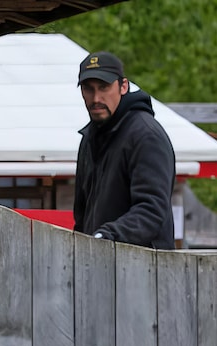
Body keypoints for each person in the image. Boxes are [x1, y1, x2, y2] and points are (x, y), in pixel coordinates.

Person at [73, 51, 177, 250]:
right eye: (88, 89)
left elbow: (152, 210)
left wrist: (106, 236)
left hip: (146, 264)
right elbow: (82, 215)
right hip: (99, 260)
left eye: (104, 87)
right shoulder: (89, 139)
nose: (96, 98)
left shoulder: (146, 136)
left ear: (124, 86)